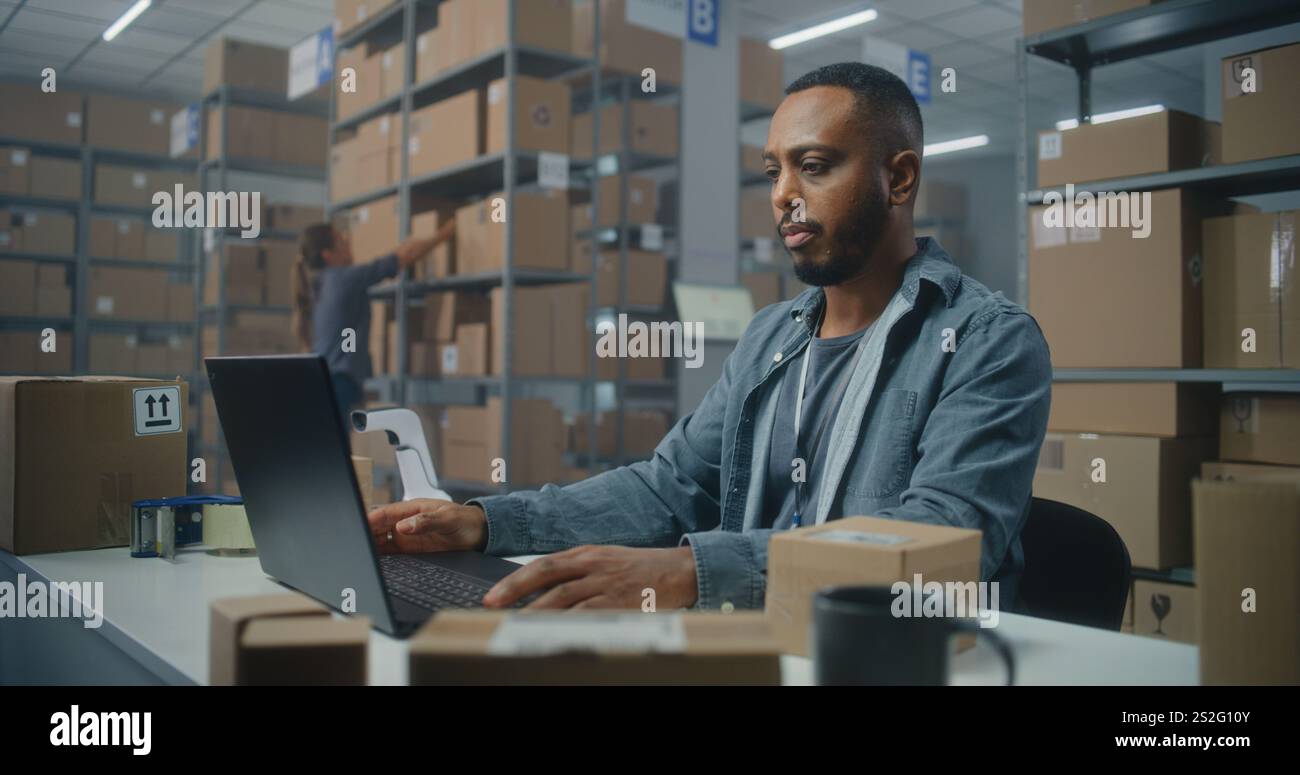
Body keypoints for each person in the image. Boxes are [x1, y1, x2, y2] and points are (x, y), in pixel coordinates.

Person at [368, 62, 1051, 611]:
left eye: (814, 166)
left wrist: (694, 571)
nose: (784, 194)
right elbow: (668, 489)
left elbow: (943, 543)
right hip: (747, 644)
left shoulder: (988, 341)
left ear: (898, 178)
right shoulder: (770, 338)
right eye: (773, 171)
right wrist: (486, 522)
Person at [291, 221, 454, 431]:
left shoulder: (321, 283)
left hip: (324, 382)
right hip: (337, 384)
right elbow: (403, 257)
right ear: (327, 255)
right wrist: (447, 232)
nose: (349, 244)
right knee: (338, 454)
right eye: (341, 242)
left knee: (333, 452)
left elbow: (394, 257)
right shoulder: (345, 279)